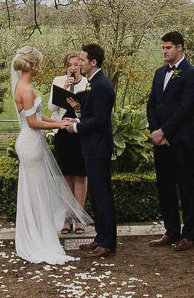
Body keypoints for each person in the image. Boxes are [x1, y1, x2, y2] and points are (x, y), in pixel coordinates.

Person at [12, 46, 91, 263]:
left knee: (36, 188)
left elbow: (39, 114)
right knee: (34, 188)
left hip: (32, 141)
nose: (40, 68)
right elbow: (32, 122)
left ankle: (37, 231)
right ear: (33, 65)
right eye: (39, 64)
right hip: (30, 142)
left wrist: (59, 121)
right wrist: (59, 124)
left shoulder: (25, 85)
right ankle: (35, 236)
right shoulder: (25, 89)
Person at [145, 30, 194, 251]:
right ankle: (171, 230)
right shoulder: (160, 73)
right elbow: (152, 104)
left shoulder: (192, 73)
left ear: (180, 48)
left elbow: (186, 108)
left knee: (185, 186)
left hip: (181, 140)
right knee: (165, 187)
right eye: (162, 48)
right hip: (161, 140)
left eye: (168, 47)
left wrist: (165, 132)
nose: (164, 51)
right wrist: (155, 131)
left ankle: (189, 234)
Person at [62, 42, 117, 258]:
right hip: (92, 148)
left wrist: (75, 127)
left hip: (98, 148)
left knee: (103, 196)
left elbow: (101, 120)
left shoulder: (102, 84)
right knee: (97, 196)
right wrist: (76, 115)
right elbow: (92, 113)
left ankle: (108, 243)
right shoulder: (94, 83)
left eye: (83, 60)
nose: (79, 64)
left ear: (93, 62)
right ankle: (100, 238)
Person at [49, 51, 89, 235]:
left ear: (81, 66)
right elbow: (51, 108)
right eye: (69, 65)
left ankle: (78, 217)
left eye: (76, 64)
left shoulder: (87, 84)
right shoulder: (58, 81)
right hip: (62, 131)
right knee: (66, 176)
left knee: (80, 175)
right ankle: (66, 217)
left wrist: (78, 110)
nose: (73, 68)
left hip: (79, 133)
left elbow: (88, 114)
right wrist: (63, 90)